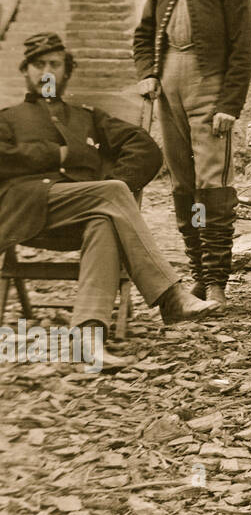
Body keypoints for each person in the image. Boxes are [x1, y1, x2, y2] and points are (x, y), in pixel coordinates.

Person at [0, 33, 220, 370]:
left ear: (66, 71)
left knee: (105, 220)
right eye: (39, 65)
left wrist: (108, 184)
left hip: (81, 213)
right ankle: (170, 296)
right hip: (25, 209)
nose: (47, 72)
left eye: (55, 65)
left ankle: (88, 341)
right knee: (112, 196)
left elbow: (145, 148)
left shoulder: (88, 117)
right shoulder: (9, 117)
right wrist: (55, 153)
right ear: (26, 71)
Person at [132, 0, 251, 308]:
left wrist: (229, 105)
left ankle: (218, 283)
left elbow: (243, 49)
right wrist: (148, 73)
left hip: (210, 88)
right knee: (184, 184)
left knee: (213, 183)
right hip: (169, 89)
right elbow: (143, 34)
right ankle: (200, 276)